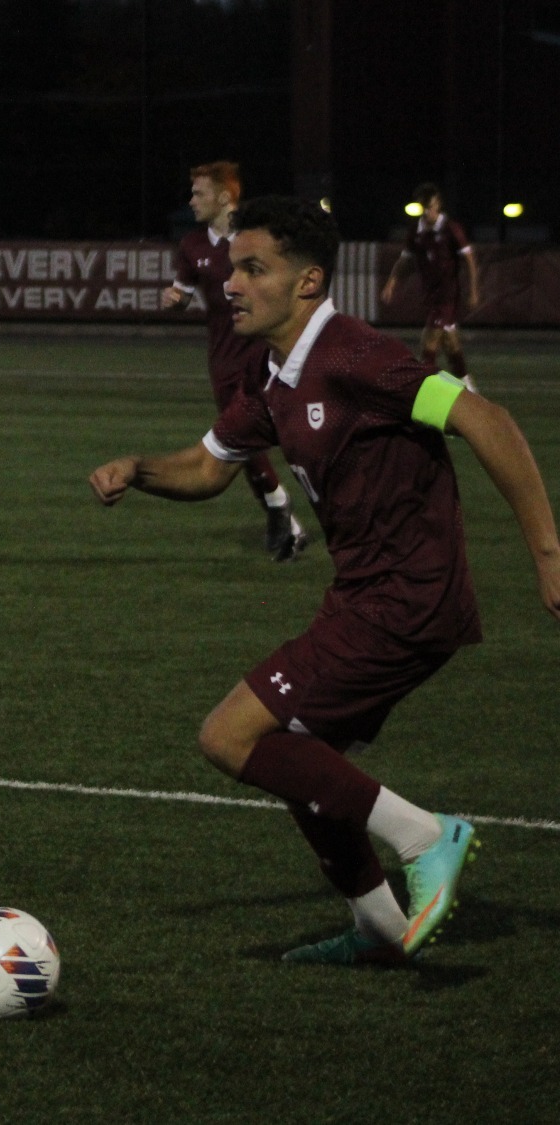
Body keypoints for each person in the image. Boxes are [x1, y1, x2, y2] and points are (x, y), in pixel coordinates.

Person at [91, 195, 560, 965]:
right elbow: (210, 465)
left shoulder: (353, 355)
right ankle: (379, 926)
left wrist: (548, 555)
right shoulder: (277, 377)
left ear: (307, 282)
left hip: (406, 597)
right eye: (232, 267)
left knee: (230, 733)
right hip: (369, 595)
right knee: (305, 759)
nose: (231, 284)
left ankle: (426, 834)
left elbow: (488, 420)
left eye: (253, 268)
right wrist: (138, 469)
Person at [160, 161, 308, 561]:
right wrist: (173, 301)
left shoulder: (253, 239)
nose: (191, 201)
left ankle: (282, 510)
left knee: (258, 435)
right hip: (224, 360)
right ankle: (285, 516)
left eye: (199, 193)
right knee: (242, 437)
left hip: (266, 352)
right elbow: (183, 292)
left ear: (225, 197)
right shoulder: (192, 246)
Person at [379, 183, 482, 390]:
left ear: (438, 206)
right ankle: (468, 387)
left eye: (431, 207)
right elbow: (404, 260)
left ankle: (424, 388)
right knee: (451, 345)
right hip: (431, 296)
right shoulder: (416, 231)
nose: (428, 212)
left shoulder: (450, 228)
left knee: (429, 344)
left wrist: (473, 290)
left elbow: (469, 259)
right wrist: (391, 282)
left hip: (447, 296)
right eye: (424, 207)